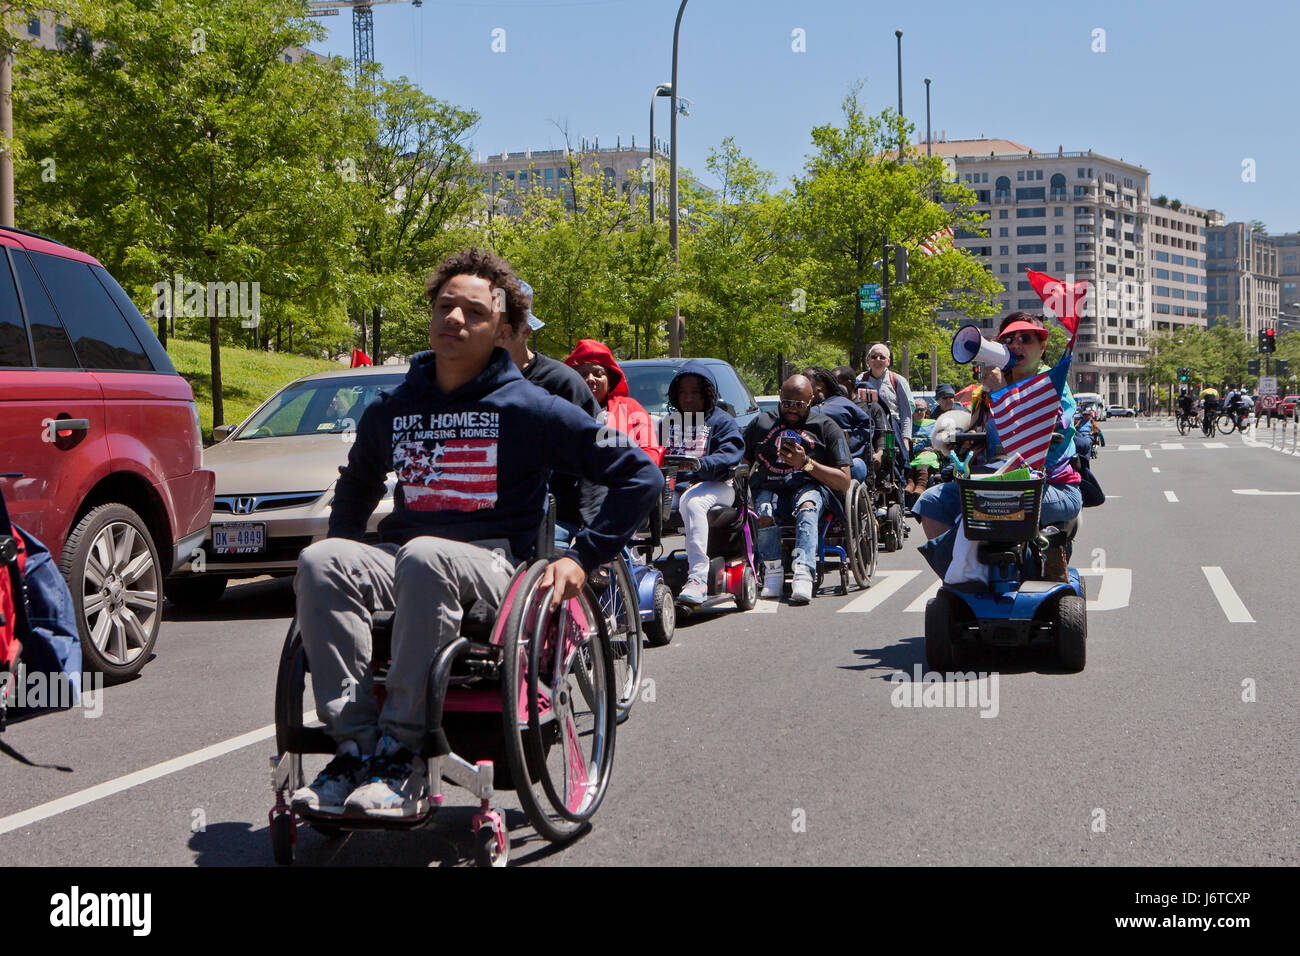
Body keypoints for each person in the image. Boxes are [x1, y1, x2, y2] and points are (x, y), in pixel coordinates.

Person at [290, 248, 662, 820]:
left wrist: (584, 557)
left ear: (503, 331)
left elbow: (640, 474)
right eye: (444, 307)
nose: (455, 320)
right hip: (408, 563)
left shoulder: (532, 407)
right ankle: (355, 748)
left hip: (497, 573)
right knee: (322, 561)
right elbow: (358, 481)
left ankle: (401, 752)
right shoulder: (392, 407)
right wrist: (344, 540)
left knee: (425, 555)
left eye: (474, 312)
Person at [912, 312, 1081, 584]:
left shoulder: (1053, 384)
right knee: (930, 502)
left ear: (1042, 347)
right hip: (992, 482)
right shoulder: (988, 390)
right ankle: (962, 580)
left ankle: (995, 571)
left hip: (1050, 486)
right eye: (1008, 340)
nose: (1016, 345)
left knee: (990, 507)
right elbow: (977, 434)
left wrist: (1002, 393)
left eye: (1026, 338)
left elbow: (1033, 434)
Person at [496, 281, 605, 544]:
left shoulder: (563, 383)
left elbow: (601, 456)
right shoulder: (470, 384)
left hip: (554, 522)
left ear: (526, 330)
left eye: (506, 328)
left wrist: (595, 537)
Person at [742, 375, 851, 605]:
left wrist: (805, 464)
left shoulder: (826, 427)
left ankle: (803, 571)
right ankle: (772, 570)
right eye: (786, 403)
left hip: (810, 486)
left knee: (807, 506)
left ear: (811, 400)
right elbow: (743, 464)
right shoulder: (761, 424)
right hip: (770, 486)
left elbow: (843, 481)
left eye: (799, 405)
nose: (791, 409)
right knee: (763, 510)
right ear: (780, 398)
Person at [658, 362, 745, 605]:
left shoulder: (722, 421)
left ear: (708, 393)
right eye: (683, 393)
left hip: (717, 486)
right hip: (674, 487)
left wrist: (700, 465)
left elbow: (731, 454)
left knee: (693, 503)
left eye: (695, 393)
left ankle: (698, 578)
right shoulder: (670, 422)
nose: (687, 398)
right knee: (640, 498)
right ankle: (636, 570)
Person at [564, 339, 665, 466]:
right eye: (583, 374)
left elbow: (649, 452)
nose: (590, 379)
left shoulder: (630, 408)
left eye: (598, 374)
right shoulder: (563, 408)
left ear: (610, 380)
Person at [802, 365, 878, 482]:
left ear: (820, 385)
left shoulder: (843, 403)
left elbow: (867, 425)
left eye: (806, 381)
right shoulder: (800, 410)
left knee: (858, 466)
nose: (802, 384)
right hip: (814, 466)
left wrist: (847, 444)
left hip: (845, 466)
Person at [857, 343, 914, 458]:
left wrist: (905, 439)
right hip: (868, 432)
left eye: (882, 357)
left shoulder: (898, 380)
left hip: (892, 432)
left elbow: (906, 413)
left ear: (888, 361)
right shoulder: (860, 380)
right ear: (868, 360)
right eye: (874, 357)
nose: (878, 360)